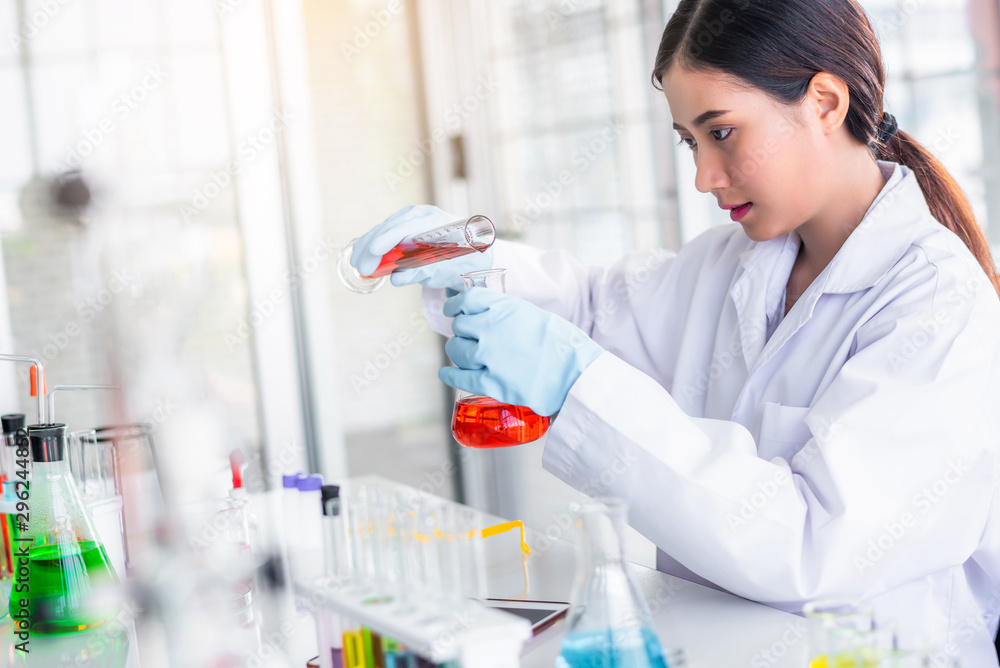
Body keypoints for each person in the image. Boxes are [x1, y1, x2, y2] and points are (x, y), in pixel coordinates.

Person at [350, 0, 1000, 662]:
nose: (702, 178)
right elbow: (591, 312)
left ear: (826, 103)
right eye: (691, 142)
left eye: (721, 133)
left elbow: (814, 546)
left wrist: (576, 382)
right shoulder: (728, 265)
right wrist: (473, 261)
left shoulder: (936, 306)